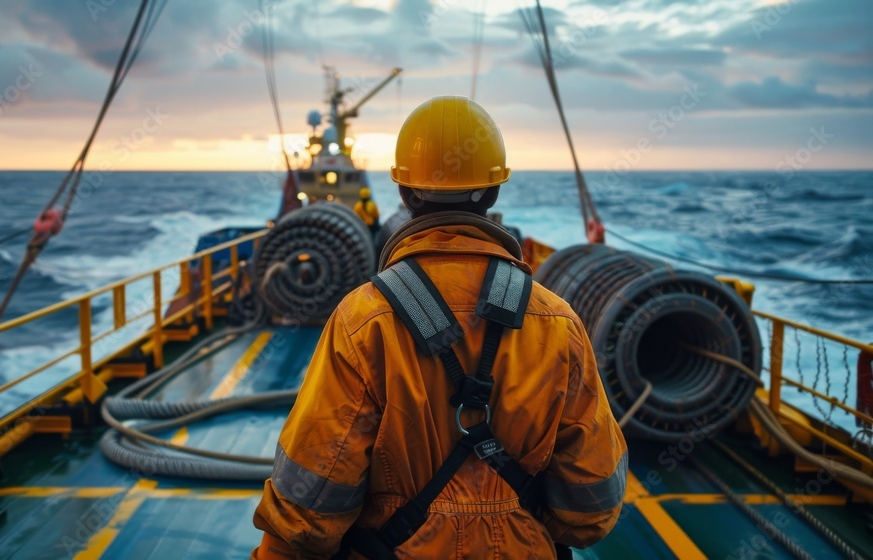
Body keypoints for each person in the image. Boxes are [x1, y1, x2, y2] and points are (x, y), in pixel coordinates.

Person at [253, 96, 627, 559]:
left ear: (405, 193)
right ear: (493, 193)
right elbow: (591, 510)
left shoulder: (362, 320)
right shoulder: (556, 321)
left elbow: (308, 512)